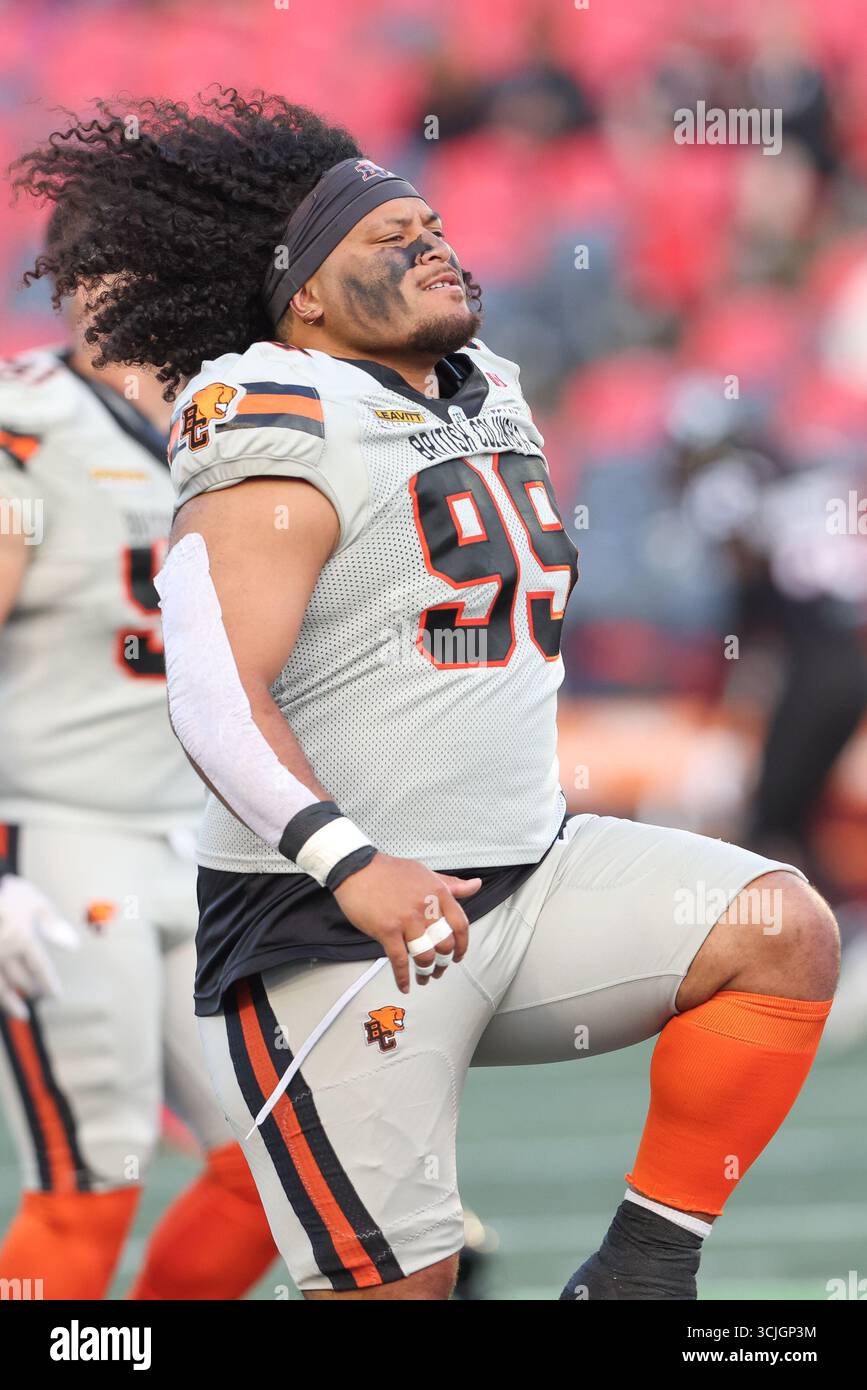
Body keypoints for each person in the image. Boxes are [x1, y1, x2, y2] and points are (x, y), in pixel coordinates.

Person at [13, 89, 840, 1301]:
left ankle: (642, 1274)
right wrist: (348, 859)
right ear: (303, 297)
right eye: (389, 242)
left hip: (523, 873)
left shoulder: (485, 380)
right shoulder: (273, 406)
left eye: (436, 227)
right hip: (331, 926)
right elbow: (208, 687)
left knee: (782, 929)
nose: (435, 246)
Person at [0, 258, 276, 1299]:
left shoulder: (227, 421)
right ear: (73, 288)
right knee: (94, 1173)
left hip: (194, 844)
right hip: (57, 837)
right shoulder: (29, 426)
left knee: (270, 1164)